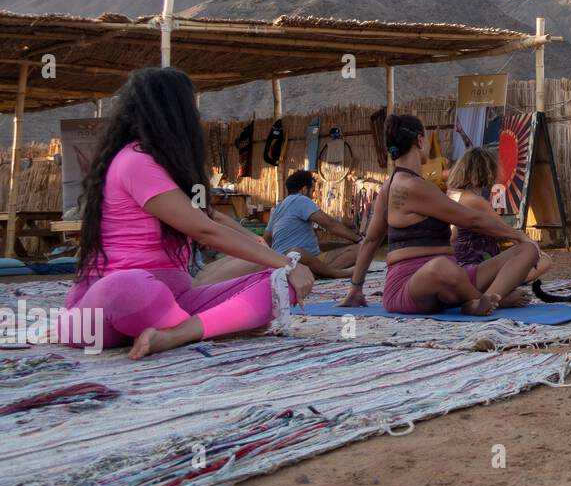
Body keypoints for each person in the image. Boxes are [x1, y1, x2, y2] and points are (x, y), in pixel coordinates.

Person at [60, 67, 313, 360]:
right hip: (106, 311)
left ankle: (177, 333)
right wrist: (290, 262)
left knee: (280, 283)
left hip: (173, 301)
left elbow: (212, 222)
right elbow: (204, 229)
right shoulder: (134, 162)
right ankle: (211, 324)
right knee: (129, 287)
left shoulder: (166, 167)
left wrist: (283, 268)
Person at [338, 114, 540, 315]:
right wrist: (517, 234)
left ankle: (489, 300)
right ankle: (477, 299)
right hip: (410, 287)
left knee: (527, 251)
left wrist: (356, 288)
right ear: (420, 140)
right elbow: (471, 219)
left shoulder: (389, 187)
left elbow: (371, 241)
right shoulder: (413, 186)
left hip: (452, 280)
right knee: (441, 267)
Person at [446, 146, 550, 286]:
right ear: (487, 171)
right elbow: (505, 232)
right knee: (544, 260)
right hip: (473, 266)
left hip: (456, 261)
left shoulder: (452, 194)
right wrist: (530, 250)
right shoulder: (475, 201)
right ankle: (503, 283)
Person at [262, 170, 362, 278]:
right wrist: (357, 239)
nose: (313, 195)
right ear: (304, 190)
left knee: (357, 250)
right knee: (362, 249)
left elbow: (266, 240)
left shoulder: (277, 208)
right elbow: (328, 223)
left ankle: (319, 272)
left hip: (288, 261)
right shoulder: (301, 200)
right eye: (312, 191)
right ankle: (328, 273)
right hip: (297, 259)